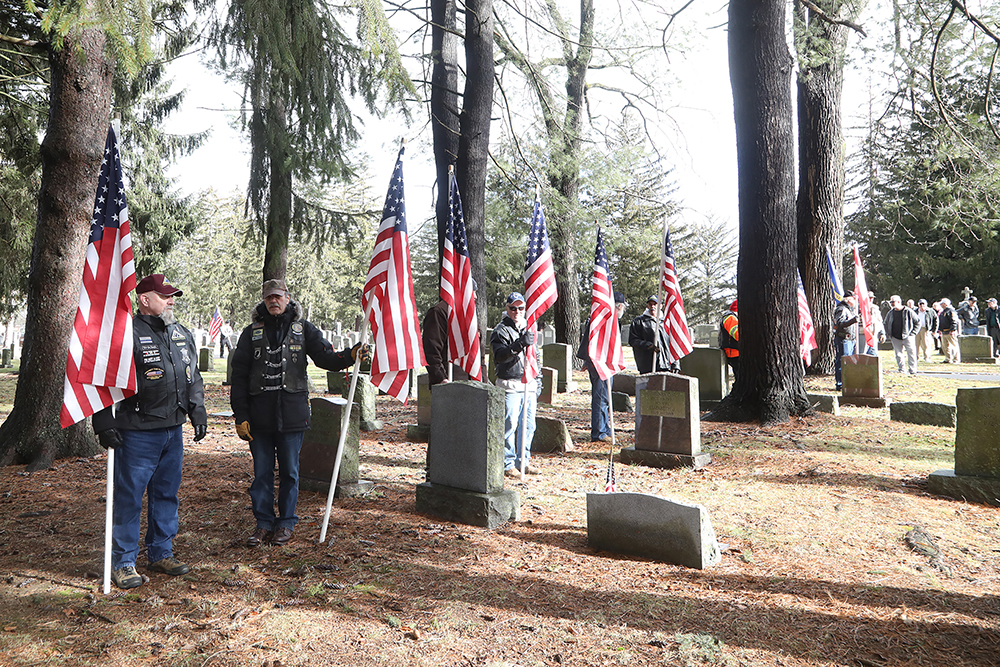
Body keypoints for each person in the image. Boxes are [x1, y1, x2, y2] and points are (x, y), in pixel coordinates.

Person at [230, 279, 367, 548]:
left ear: (287, 297)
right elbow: (239, 376)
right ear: (264, 300)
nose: (273, 301)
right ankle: (263, 523)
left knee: (290, 473)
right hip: (258, 417)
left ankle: (286, 522)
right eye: (269, 297)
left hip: (292, 416)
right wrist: (241, 414)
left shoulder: (304, 330)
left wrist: (350, 355)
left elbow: (326, 358)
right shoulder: (251, 333)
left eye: (278, 296)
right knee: (261, 474)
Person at [92, 274, 207, 590]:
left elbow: (192, 376)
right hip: (137, 431)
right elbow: (104, 379)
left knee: (166, 494)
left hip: (173, 430)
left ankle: (161, 552)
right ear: (144, 299)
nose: (171, 301)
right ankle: (123, 562)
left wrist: (197, 411)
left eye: (172, 296)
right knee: (129, 497)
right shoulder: (126, 333)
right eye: (165, 296)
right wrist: (103, 422)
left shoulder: (180, 333)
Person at [491, 292, 540, 478]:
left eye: (520, 308)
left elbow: (536, 356)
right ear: (507, 308)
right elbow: (499, 356)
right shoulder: (501, 330)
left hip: (528, 384)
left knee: (529, 426)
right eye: (513, 308)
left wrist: (539, 381)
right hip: (510, 384)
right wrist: (518, 344)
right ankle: (507, 463)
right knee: (509, 426)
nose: (517, 311)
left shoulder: (530, 327)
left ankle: (523, 461)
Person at [578, 291, 627, 442]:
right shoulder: (605, 319)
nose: (623, 310)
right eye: (623, 307)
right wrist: (589, 360)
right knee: (601, 398)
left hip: (600, 362)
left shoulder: (604, 317)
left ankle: (605, 429)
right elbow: (591, 338)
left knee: (604, 397)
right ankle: (599, 433)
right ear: (619, 306)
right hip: (600, 363)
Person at [628, 295, 671, 374]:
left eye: (655, 304)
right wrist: (647, 345)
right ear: (647, 306)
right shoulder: (638, 322)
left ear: (660, 306)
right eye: (650, 304)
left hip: (665, 365)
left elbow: (673, 344)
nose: (652, 307)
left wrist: (675, 364)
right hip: (647, 366)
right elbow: (633, 340)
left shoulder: (667, 322)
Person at [883, 295, 920, 374]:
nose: (891, 304)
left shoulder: (908, 311)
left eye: (893, 302)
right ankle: (902, 369)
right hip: (895, 337)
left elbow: (917, 322)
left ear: (899, 302)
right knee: (898, 354)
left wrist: (913, 333)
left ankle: (912, 370)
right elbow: (885, 323)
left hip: (908, 336)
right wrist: (889, 333)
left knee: (911, 353)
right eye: (891, 302)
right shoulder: (891, 312)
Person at [833, 291, 859, 391]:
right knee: (842, 361)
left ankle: (847, 382)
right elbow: (840, 323)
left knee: (849, 362)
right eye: (854, 299)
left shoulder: (850, 310)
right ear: (848, 299)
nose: (855, 301)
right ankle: (840, 383)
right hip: (844, 339)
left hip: (851, 339)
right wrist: (853, 320)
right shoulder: (841, 309)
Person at [422, 299, 450, 386]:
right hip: (449, 384)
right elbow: (431, 349)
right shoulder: (439, 312)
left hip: (474, 385)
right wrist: (440, 378)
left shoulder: (470, 314)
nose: (475, 297)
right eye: (473, 293)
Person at [718, 299, 739, 380]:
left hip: (736, 351)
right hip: (734, 352)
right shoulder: (731, 318)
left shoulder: (732, 317)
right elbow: (738, 335)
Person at [938, 298, 961, 363]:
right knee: (945, 346)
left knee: (954, 345)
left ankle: (956, 359)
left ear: (945, 304)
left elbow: (954, 321)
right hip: (944, 331)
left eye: (942, 304)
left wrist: (952, 330)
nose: (941, 305)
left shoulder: (951, 311)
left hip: (950, 331)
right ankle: (948, 359)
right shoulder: (943, 311)